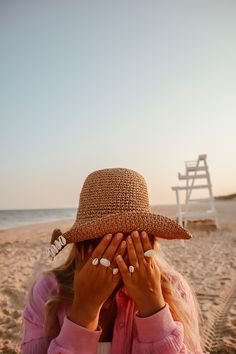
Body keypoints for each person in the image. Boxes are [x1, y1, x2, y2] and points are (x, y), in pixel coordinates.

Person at [20, 168, 206, 354]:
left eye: (132, 241)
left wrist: (153, 306)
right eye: (105, 241)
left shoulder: (174, 289)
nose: (118, 255)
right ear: (82, 246)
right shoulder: (48, 291)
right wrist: (84, 311)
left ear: (150, 242)